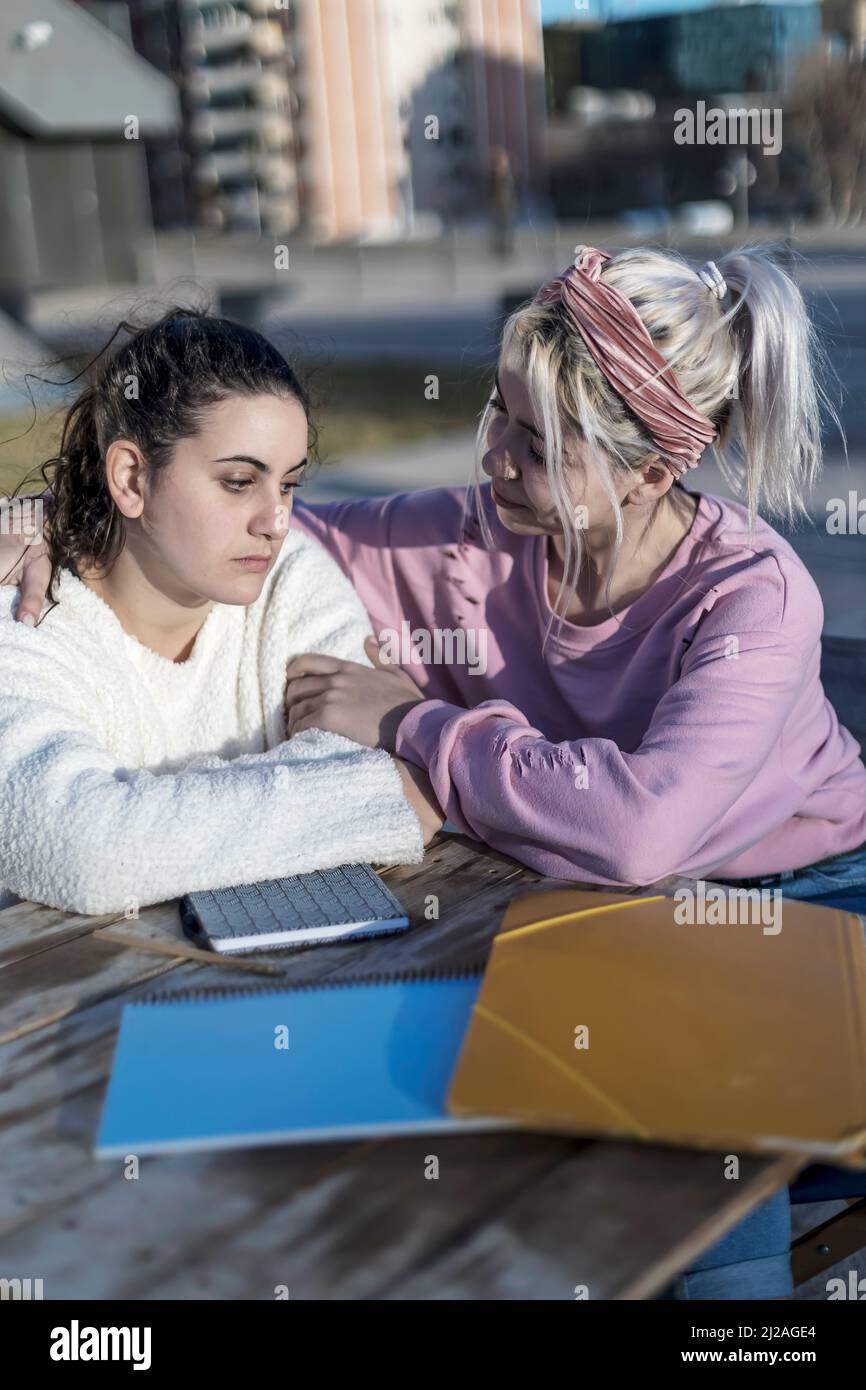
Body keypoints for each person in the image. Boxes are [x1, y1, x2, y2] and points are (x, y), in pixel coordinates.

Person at [6, 246, 866, 1296]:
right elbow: (237, 524)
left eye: (537, 444)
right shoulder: (465, 536)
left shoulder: (751, 600)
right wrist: (45, 515)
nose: (495, 459)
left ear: (647, 472)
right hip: (609, 920)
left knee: (695, 1169)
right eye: (496, 414)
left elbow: (641, 832)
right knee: (431, 1126)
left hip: (808, 910)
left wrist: (419, 724)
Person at [0, 310, 441, 916]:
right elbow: (84, 848)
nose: (276, 522)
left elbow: (382, 755)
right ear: (130, 477)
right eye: (239, 481)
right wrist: (370, 801)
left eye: (288, 485)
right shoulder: (25, 617)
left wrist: (151, 815)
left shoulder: (292, 578)